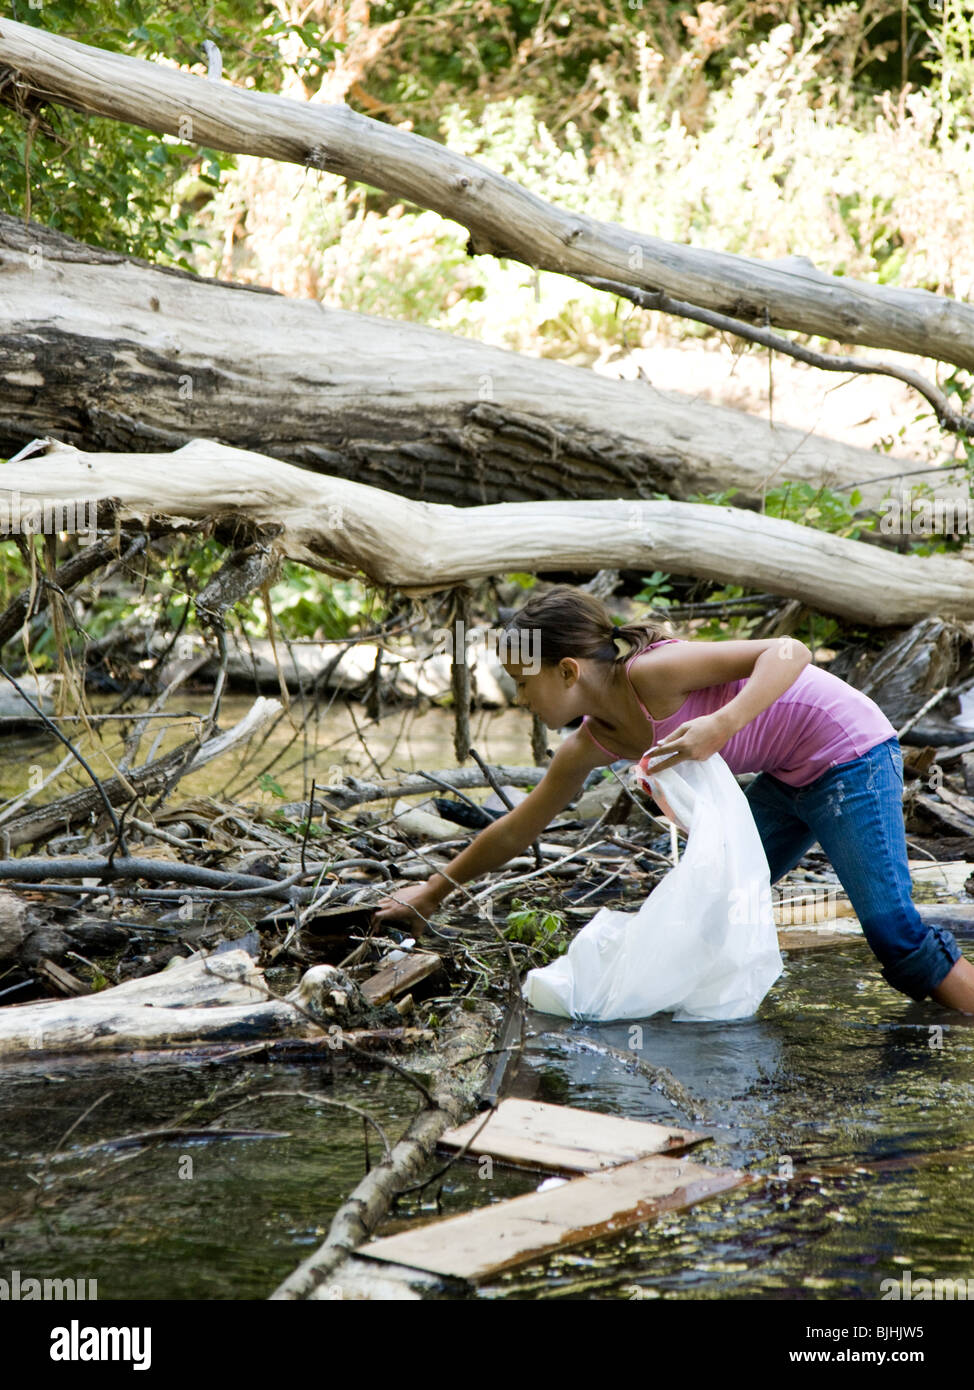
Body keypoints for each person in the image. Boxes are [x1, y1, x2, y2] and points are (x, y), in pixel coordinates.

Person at [371, 584, 974, 1014]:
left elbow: (790, 651)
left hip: (849, 755)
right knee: (699, 914)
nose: (520, 697)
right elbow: (514, 830)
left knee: (893, 932)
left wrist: (725, 723)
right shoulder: (589, 744)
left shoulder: (653, 673)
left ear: (567, 671)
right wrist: (432, 890)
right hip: (789, 777)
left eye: (523, 683)